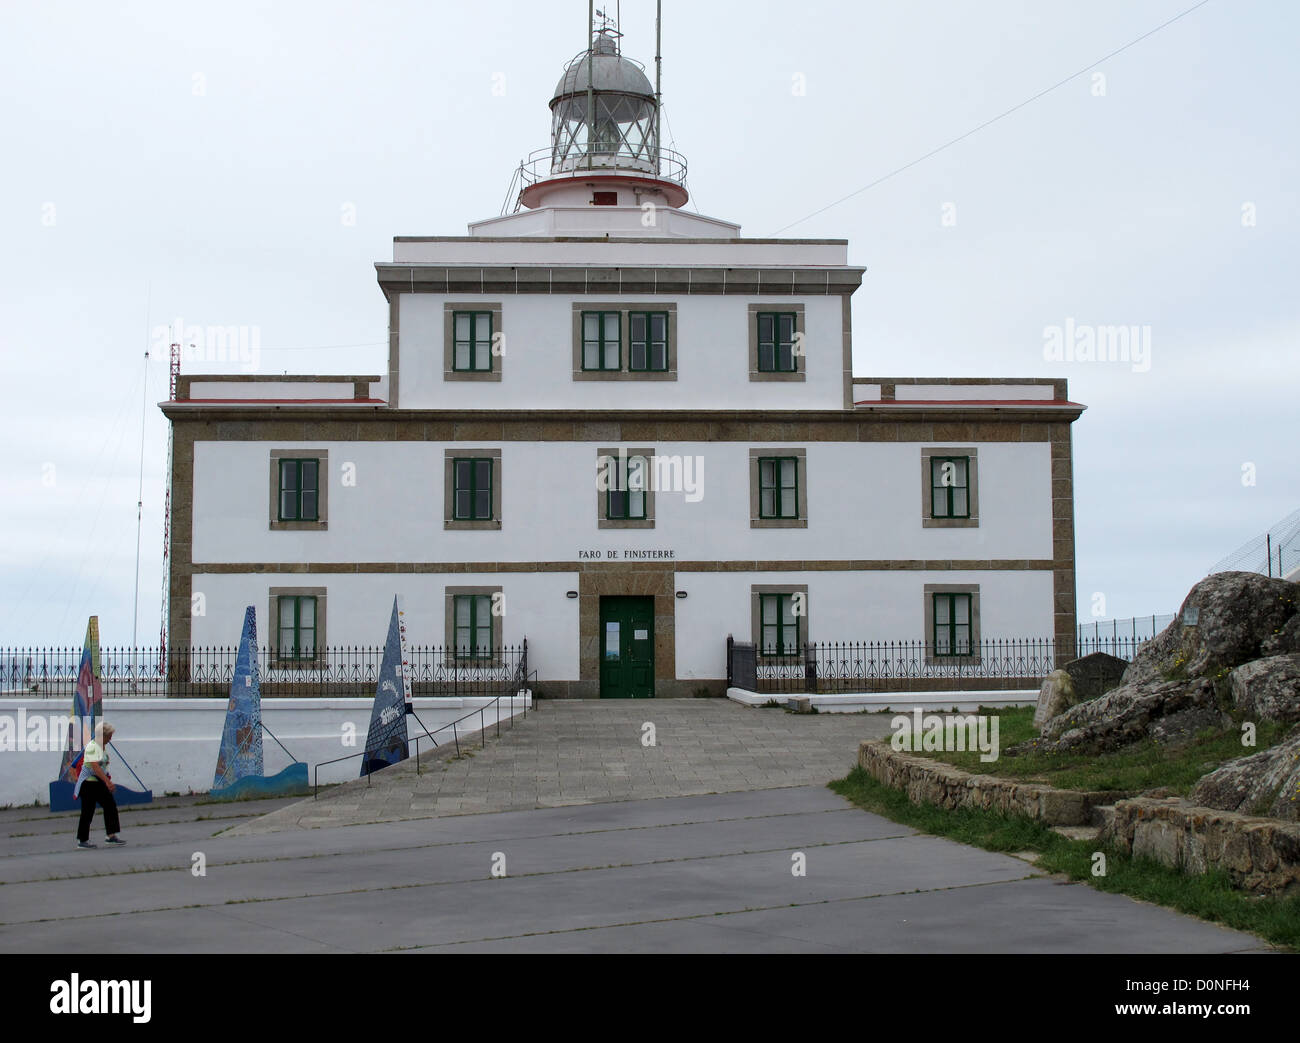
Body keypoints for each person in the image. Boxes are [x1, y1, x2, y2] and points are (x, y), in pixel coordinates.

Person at [75, 722, 125, 849]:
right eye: (109, 736)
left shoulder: (102, 746)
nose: (110, 738)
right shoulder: (92, 746)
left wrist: (107, 780)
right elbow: (95, 767)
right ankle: (82, 840)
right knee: (88, 811)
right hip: (88, 783)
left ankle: (111, 835)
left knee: (110, 805)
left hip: (98, 782)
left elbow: (103, 766)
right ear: (102, 735)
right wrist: (108, 782)